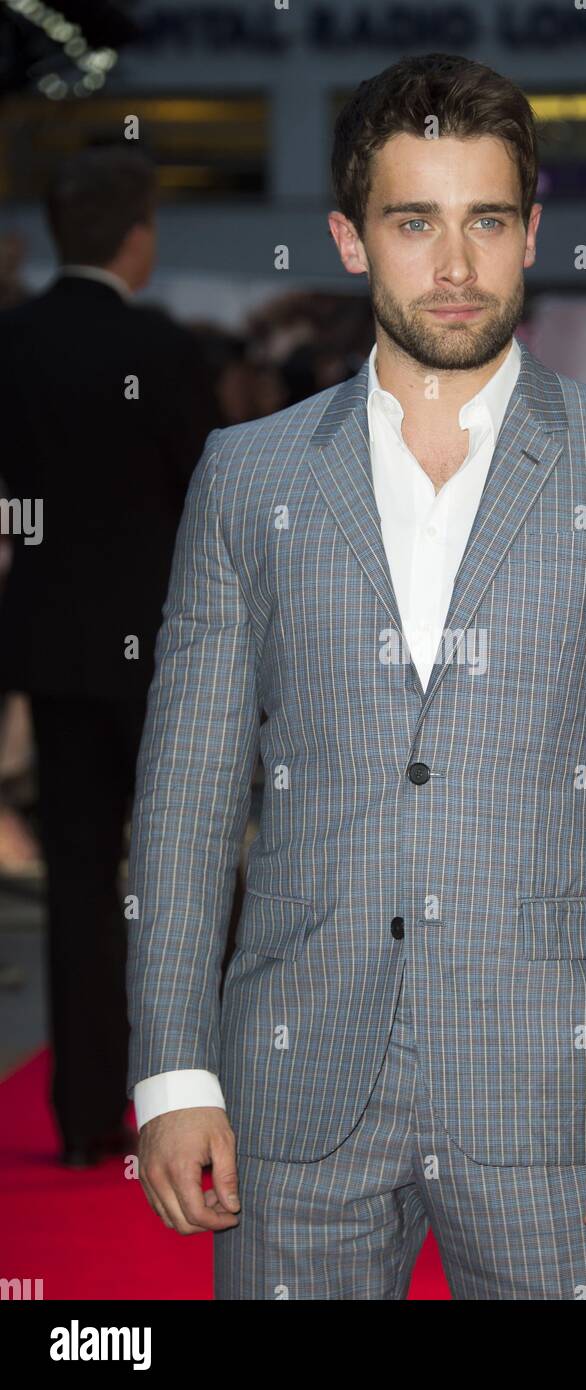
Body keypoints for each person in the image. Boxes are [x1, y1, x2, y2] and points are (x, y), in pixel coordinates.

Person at [127, 54, 586, 1300]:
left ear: (532, 235)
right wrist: (174, 1068)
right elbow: (187, 795)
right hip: (288, 1091)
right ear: (350, 240)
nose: (454, 266)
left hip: (555, 1105)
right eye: (414, 222)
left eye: (486, 222)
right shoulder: (246, 478)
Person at [0, 146, 220, 1167]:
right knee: (185, 871)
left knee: (80, 876)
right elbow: (205, 502)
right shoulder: (163, 350)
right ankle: (202, 1092)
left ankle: (87, 1116)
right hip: (159, 650)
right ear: (136, 238)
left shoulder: (12, 343)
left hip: (48, 641)